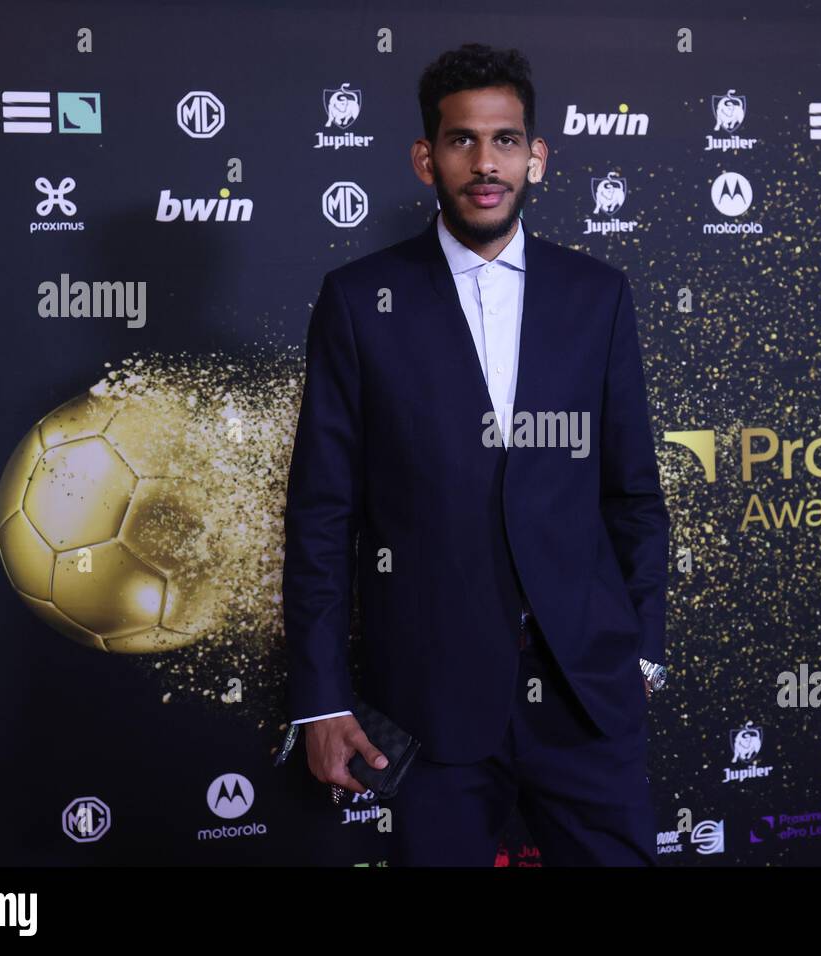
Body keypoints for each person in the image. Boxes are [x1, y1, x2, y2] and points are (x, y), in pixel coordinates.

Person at [282, 42, 670, 866]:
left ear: (537, 156)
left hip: (585, 696)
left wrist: (640, 651)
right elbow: (323, 514)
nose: (484, 163)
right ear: (426, 158)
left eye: (504, 140)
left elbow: (632, 492)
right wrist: (319, 702)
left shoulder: (597, 294)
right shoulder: (360, 302)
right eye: (462, 140)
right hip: (428, 701)